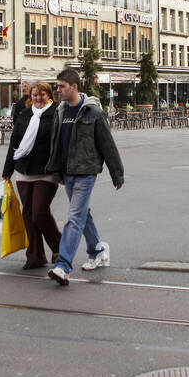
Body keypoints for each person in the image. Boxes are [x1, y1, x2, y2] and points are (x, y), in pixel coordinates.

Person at [45, 69, 124, 285]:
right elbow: (57, 144)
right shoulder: (61, 111)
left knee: (74, 218)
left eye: (61, 86)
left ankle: (63, 266)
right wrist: (57, 170)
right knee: (82, 214)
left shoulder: (92, 112)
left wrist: (117, 174)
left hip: (86, 171)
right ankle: (97, 250)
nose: (58, 90)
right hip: (68, 172)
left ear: (74, 87)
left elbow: (107, 144)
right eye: (57, 86)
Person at [2, 81, 61, 270]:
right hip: (24, 170)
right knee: (28, 214)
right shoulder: (24, 114)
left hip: (46, 171)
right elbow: (15, 143)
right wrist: (7, 171)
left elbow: (61, 144)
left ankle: (59, 247)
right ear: (30, 97)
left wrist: (61, 171)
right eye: (35, 95)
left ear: (49, 95)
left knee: (39, 212)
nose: (38, 98)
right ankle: (35, 256)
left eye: (42, 94)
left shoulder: (57, 114)